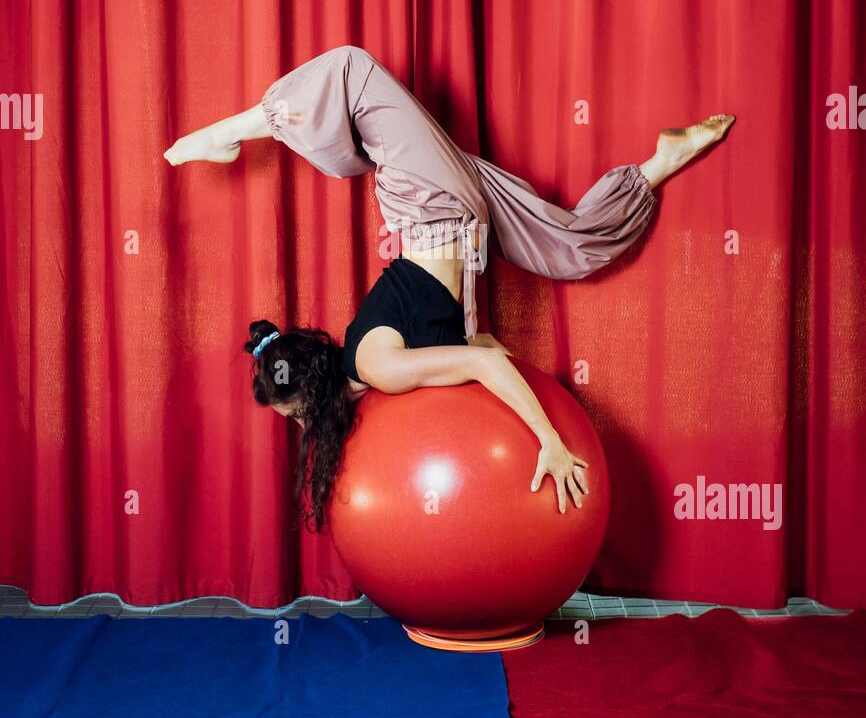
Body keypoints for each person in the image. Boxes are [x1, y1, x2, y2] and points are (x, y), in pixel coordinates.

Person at [165, 44, 734, 527]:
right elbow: (480, 350)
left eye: (294, 414)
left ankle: (220, 136)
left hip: (428, 202)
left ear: (312, 393)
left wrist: (549, 443)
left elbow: (482, 367)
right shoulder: (375, 368)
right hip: (463, 217)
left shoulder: (379, 368)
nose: (301, 426)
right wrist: (507, 375)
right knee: (570, 251)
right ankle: (663, 160)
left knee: (349, 72)